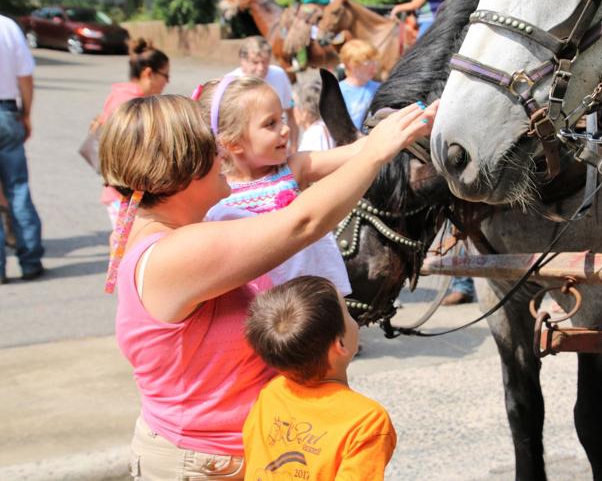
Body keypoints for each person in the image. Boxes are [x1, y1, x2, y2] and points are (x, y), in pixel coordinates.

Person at [99, 91, 436, 479]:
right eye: (211, 148)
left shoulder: (169, 230)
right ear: (183, 167)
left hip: (229, 452)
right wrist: (374, 152)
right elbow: (301, 223)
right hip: (203, 463)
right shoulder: (173, 253)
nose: (222, 156)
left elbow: (304, 182)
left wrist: (399, 134)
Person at [199, 75, 350, 295]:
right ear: (233, 143)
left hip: (314, 296)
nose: (285, 129)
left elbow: (355, 154)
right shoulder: (216, 195)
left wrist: (392, 133)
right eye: (271, 124)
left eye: (282, 118)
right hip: (259, 305)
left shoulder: (293, 168)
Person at [243, 275, 397, 480]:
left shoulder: (272, 393)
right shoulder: (366, 420)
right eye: (348, 313)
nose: (354, 320)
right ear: (339, 344)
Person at [95, 38, 170, 228]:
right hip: (125, 194)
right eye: (165, 75)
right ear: (148, 73)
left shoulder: (120, 96)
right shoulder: (131, 104)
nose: (166, 82)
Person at [0, 14, 44, 284]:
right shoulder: (6, 26)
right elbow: (25, 76)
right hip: (5, 113)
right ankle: (30, 261)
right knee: (18, 188)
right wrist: (26, 114)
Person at [227, 36, 299, 150]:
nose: (261, 68)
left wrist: (294, 146)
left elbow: (291, 113)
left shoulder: (278, 75)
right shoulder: (230, 83)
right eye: (255, 62)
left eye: (265, 62)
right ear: (243, 61)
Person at [338, 39, 380, 131]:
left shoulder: (379, 88)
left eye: (374, 61)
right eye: (367, 62)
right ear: (351, 66)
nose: (374, 66)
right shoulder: (339, 92)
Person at [293, 73, 336, 152]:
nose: (294, 109)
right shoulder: (322, 127)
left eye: (294, 104)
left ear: (305, 111)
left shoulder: (313, 136)